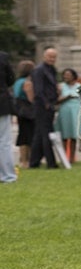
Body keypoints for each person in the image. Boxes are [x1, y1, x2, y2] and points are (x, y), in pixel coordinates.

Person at [29, 46, 60, 169]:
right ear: (44, 56)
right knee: (47, 133)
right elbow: (38, 89)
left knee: (39, 133)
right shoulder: (39, 70)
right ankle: (51, 162)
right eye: (50, 57)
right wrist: (46, 103)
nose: (52, 59)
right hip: (43, 105)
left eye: (54, 57)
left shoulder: (51, 69)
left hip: (49, 104)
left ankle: (34, 161)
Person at [54, 68, 81, 163]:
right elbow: (56, 100)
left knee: (73, 135)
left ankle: (72, 157)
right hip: (65, 111)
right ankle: (64, 157)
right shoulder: (61, 86)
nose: (66, 77)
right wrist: (67, 97)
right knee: (65, 135)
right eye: (65, 75)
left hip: (75, 111)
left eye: (68, 75)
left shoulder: (79, 86)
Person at [13, 60, 36, 170]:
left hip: (19, 111)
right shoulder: (27, 82)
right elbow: (31, 98)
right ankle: (27, 160)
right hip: (28, 111)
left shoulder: (17, 82)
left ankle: (22, 160)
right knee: (28, 136)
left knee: (22, 134)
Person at [0, 50, 16, 184]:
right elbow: (11, 79)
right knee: (4, 142)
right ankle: (8, 175)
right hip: (2, 103)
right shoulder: (3, 57)